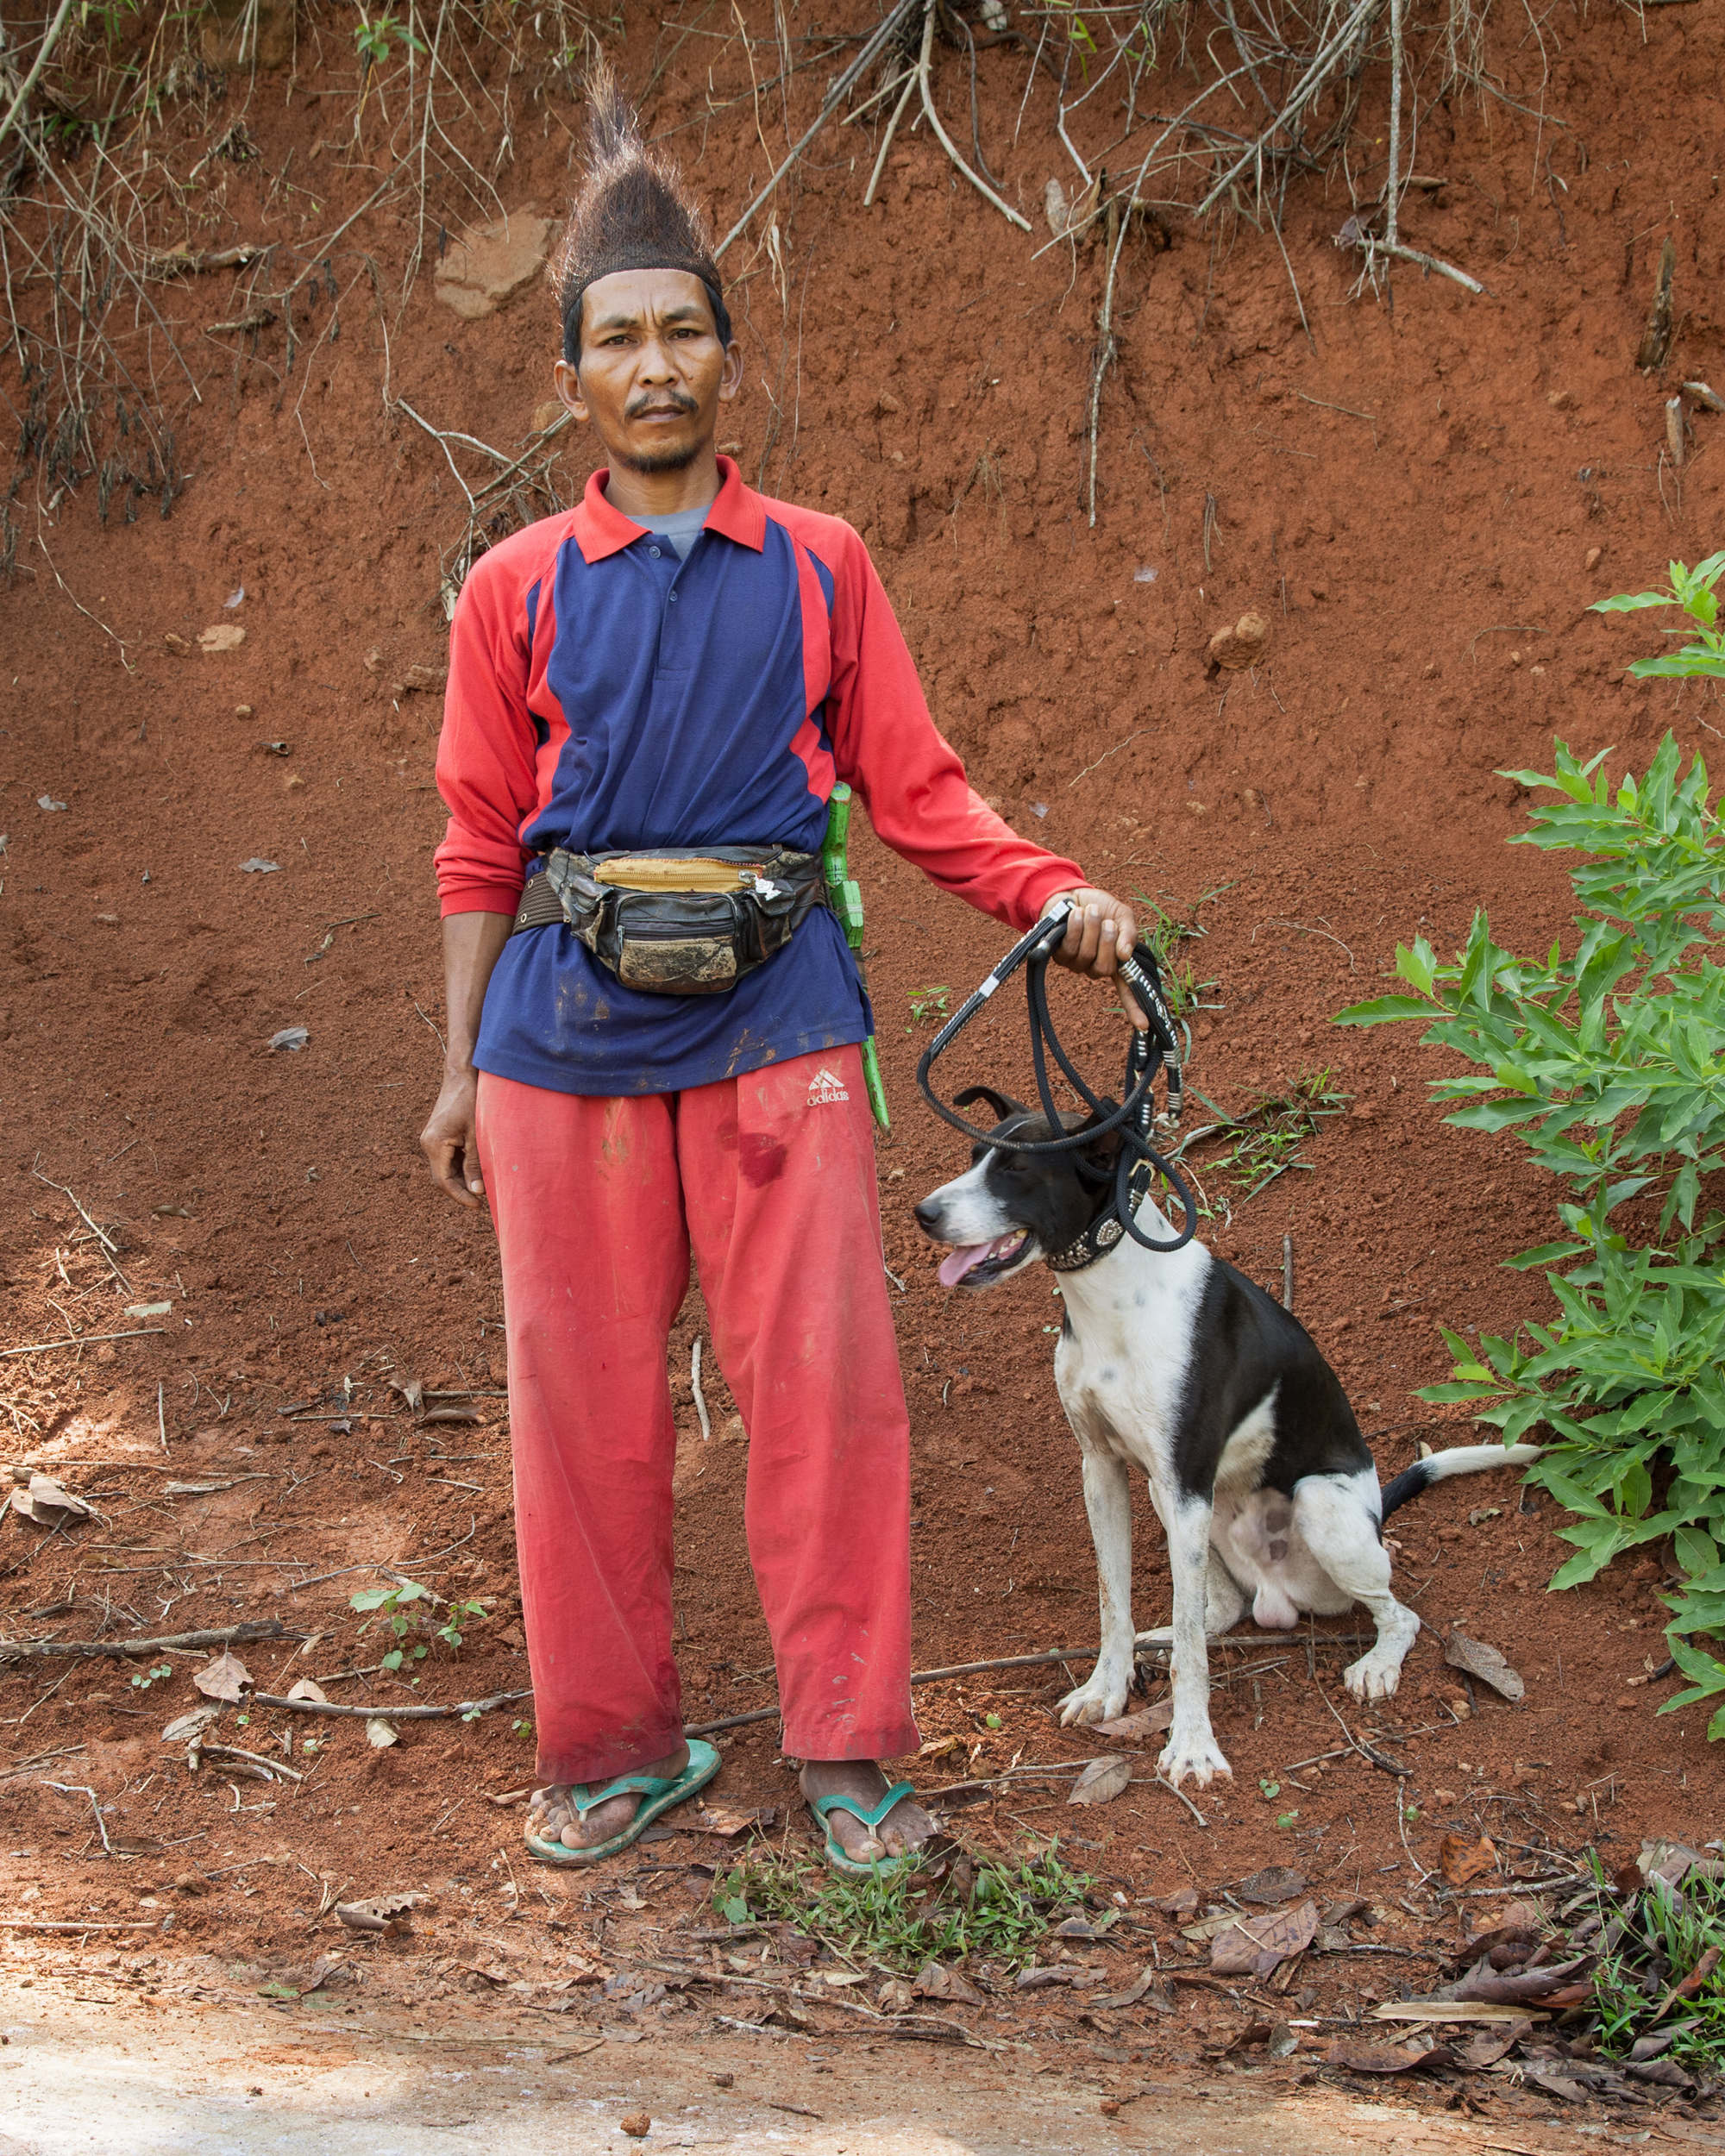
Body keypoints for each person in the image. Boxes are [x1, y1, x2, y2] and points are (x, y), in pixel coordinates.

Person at [420, 70, 1144, 1872]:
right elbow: (475, 843)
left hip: (779, 1023)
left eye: (684, 333)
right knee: (578, 1414)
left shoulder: (819, 565)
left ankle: (849, 1760)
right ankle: (611, 1753)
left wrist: (1049, 893)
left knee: (823, 1394)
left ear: (727, 359)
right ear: (567, 382)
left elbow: (916, 788)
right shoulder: (512, 587)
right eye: (618, 341)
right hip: (557, 1047)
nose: (654, 365)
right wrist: (454, 1070)